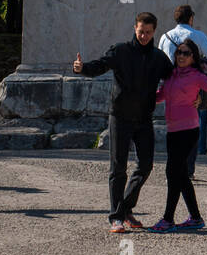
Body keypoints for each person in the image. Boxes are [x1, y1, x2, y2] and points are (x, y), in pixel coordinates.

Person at [73, 12, 173, 233]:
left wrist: (198, 93)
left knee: (145, 166)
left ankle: (124, 209)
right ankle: (116, 217)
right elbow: (101, 65)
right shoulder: (121, 50)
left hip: (144, 119)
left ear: (154, 31)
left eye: (148, 32)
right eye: (140, 32)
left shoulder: (158, 58)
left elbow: (175, 77)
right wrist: (82, 68)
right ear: (134, 29)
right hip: (120, 116)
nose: (144, 36)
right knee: (118, 167)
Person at [150, 39, 207, 232]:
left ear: (193, 57)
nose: (181, 56)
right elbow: (160, 96)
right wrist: (142, 94)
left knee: (173, 173)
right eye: (179, 52)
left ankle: (168, 219)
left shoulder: (196, 75)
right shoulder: (171, 74)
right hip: (172, 129)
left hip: (188, 130)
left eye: (186, 53)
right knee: (180, 175)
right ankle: (196, 218)